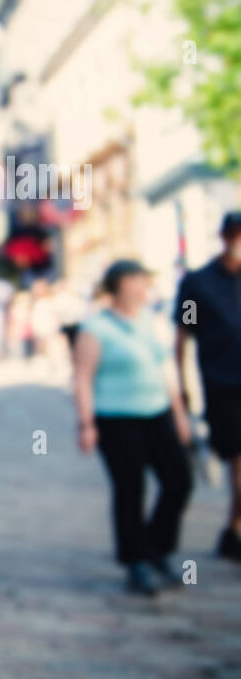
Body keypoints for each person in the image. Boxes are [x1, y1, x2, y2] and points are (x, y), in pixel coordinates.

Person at [73, 260, 194, 596]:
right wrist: (86, 423)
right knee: (130, 489)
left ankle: (156, 546)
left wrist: (180, 414)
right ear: (119, 284)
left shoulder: (150, 321)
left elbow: (166, 368)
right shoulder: (95, 328)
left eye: (144, 278)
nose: (143, 285)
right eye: (137, 279)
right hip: (115, 418)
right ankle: (135, 562)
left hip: (156, 413)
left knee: (179, 480)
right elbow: (82, 378)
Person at [174, 211, 241, 562]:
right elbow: (182, 333)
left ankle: (233, 528)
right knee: (236, 458)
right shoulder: (197, 284)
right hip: (222, 384)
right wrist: (180, 384)